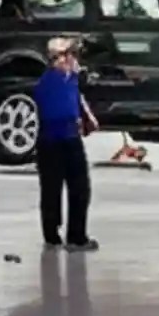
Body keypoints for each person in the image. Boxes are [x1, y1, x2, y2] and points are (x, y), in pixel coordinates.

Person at [33, 36, 100, 252]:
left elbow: (78, 101)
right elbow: (57, 111)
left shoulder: (70, 79)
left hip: (68, 138)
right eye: (70, 55)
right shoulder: (50, 81)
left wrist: (86, 120)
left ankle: (63, 236)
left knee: (71, 188)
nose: (74, 59)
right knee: (59, 189)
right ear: (58, 59)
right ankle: (67, 236)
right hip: (56, 140)